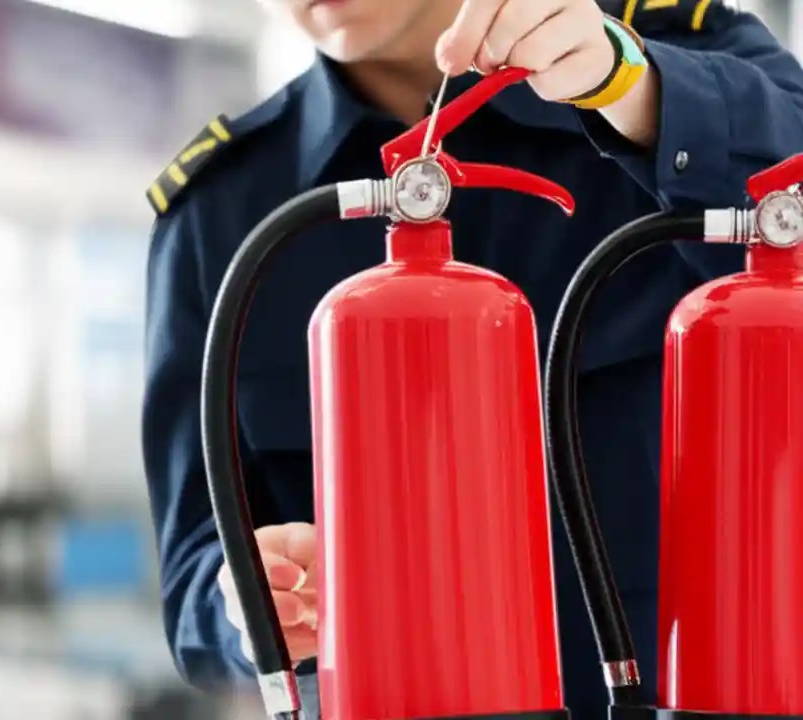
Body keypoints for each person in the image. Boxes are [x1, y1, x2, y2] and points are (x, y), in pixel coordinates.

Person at [141, 0, 803, 717]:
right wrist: (249, 600)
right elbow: (195, 581)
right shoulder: (221, 213)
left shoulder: (657, 57)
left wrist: (632, 90)